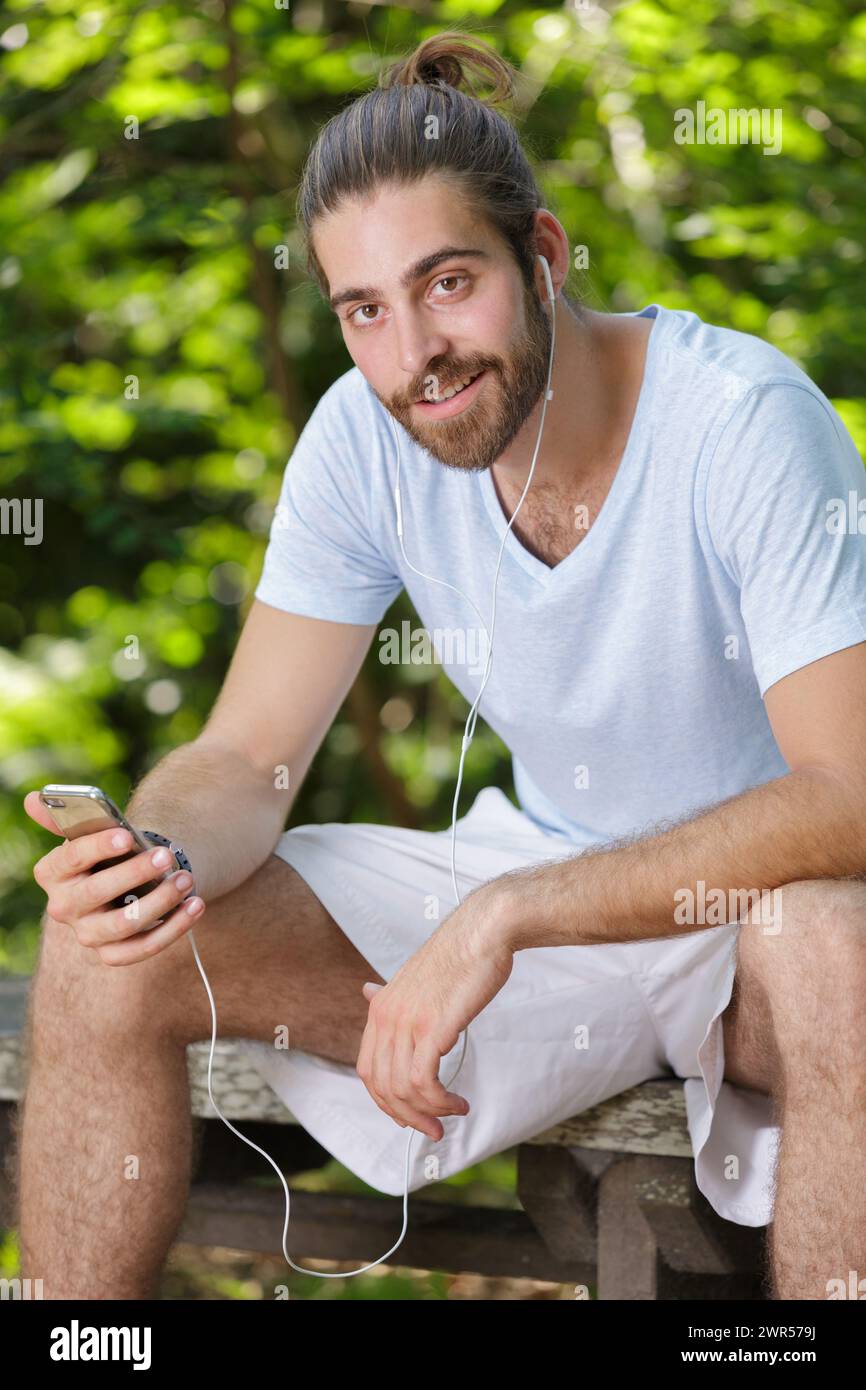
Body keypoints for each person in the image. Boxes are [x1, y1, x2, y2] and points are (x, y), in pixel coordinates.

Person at [16, 31, 866, 1301]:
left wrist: (507, 913)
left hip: (751, 922)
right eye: (364, 309)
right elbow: (248, 756)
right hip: (547, 877)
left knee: (829, 946)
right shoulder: (363, 435)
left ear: (544, 255)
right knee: (110, 945)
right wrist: (161, 858)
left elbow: (844, 796)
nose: (413, 350)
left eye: (448, 282)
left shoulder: (743, 424)